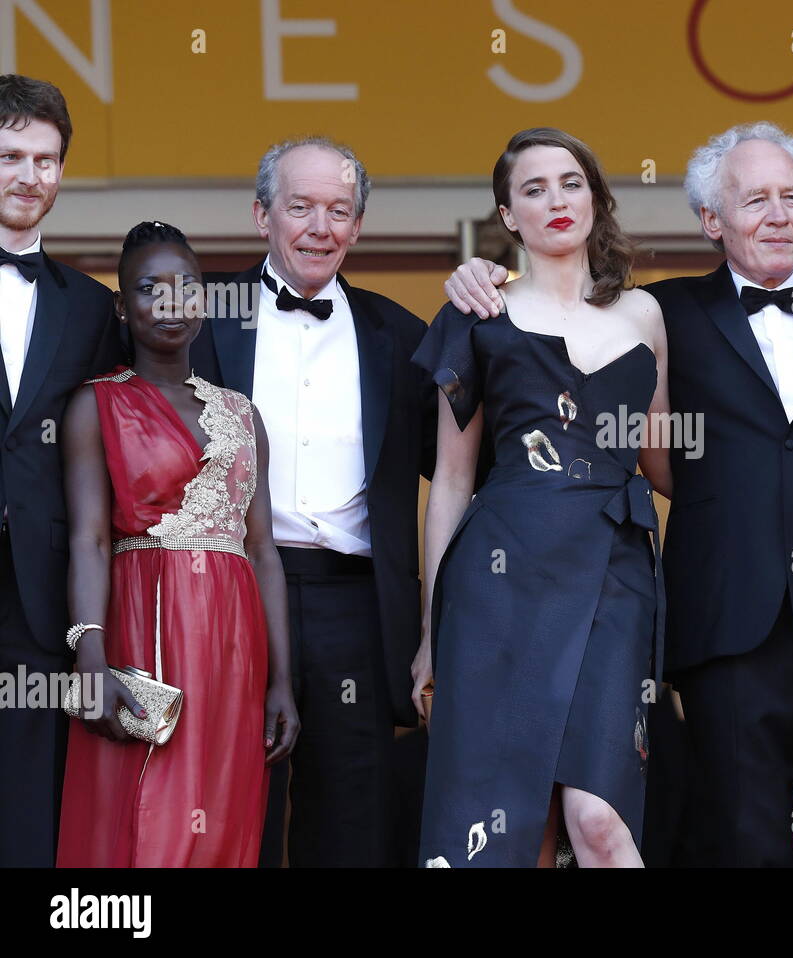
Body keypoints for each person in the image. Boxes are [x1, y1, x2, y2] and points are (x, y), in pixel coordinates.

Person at [445, 121, 793, 867]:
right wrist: (475, 275)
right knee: (743, 845)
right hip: (725, 627)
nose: (778, 215)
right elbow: (557, 324)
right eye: (755, 200)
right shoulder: (654, 314)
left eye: (791, 197)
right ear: (712, 220)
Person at [412, 127, 671, 868]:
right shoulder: (476, 310)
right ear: (507, 214)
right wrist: (432, 632)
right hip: (500, 577)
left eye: (570, 183)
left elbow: (663, 465)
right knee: (503, 826)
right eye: (534, 189)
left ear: (595, 198)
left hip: (617, 574)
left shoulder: (644, 317)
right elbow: (452, 480)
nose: (556, 200)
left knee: (598, 818)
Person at [188, 136, 438, 867]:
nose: (320, 228)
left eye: (339, 210)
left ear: (358, 227)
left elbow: (464, 472)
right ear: (261, 214)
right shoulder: (198, 316)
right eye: (300, 208)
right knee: (231, 802)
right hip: (228, 592)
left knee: (353, 813)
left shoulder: (402, 336)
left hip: (353, 605)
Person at [56, 222, 298, 866]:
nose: (170, 303)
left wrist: (283, 682)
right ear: (121, 307)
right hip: (143, 627)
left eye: (187, 287)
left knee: (224, 814)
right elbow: (88, 540)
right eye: (149, 288)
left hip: (235, 645)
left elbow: (264, 552)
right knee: (144, 813)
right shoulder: (95, 405)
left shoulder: (244, 414)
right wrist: (89, 656)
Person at [0, 73, 122, 867]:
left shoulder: (88, 305)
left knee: (30, 808)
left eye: (45, 160)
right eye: (10, 155)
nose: (28, 176)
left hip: (40, 598)